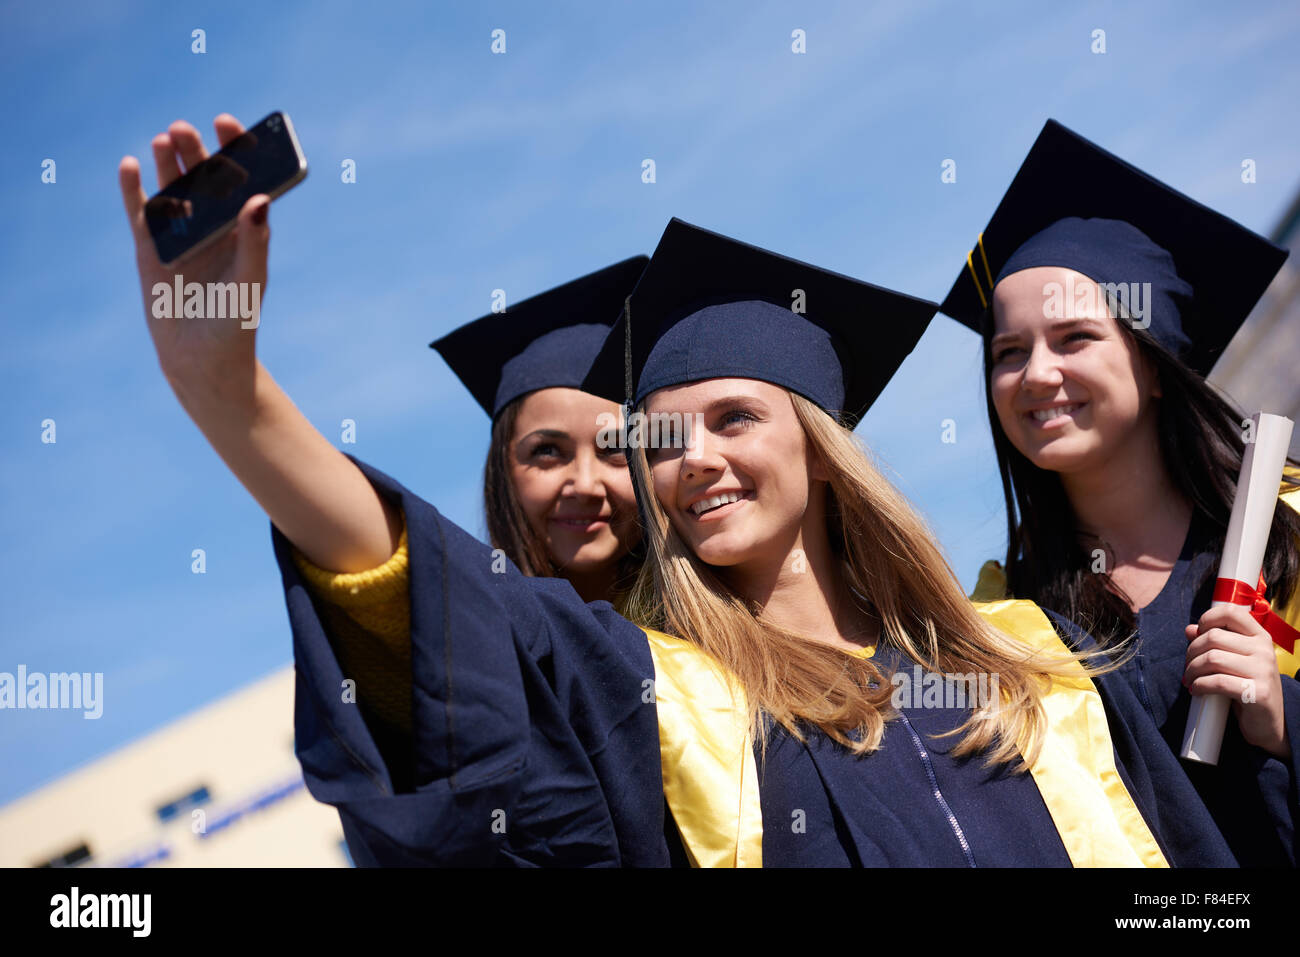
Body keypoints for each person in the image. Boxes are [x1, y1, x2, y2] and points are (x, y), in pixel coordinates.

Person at [119, 116, 1234, 866]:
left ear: (820, 449)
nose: (689, 457)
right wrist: (230, 392)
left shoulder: (1034, 657)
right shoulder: (662, 702)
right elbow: (448, 613)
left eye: (734, 420)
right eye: (658, 439)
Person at [939, 118, 1300, 865]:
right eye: (1009, 352)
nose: (1037, 374)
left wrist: (1283, 715)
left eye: (1075, 339)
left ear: (1158, 365)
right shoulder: (1006, 616)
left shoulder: (1287, 530)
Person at [429, 257, 648, 611]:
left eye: (614, 448)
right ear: (503, 471)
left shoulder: (710, 641)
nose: (585, 485)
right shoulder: (468, 627)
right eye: (547, 451)